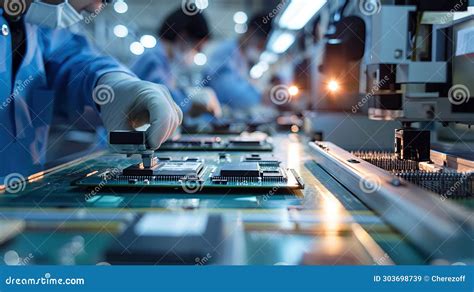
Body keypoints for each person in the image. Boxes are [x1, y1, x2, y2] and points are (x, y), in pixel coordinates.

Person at [0, 0, 182, 181]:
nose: (96, 7)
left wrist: (110, 82)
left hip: (22, 196)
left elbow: (69, 60)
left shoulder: (37, 27)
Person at [132, 7, 222, 119]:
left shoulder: (166, 63)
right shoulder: (153, 59)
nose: (197, 53)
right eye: (198, 48)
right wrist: (191, 96)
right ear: (182, 37)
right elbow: (163, 100)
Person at [205, 13, 272, 110]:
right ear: (251, 32)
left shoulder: (243, 58)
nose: (259, 50)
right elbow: (227, 90)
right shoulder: (226, 52)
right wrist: (259, 96)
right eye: (260, 45)